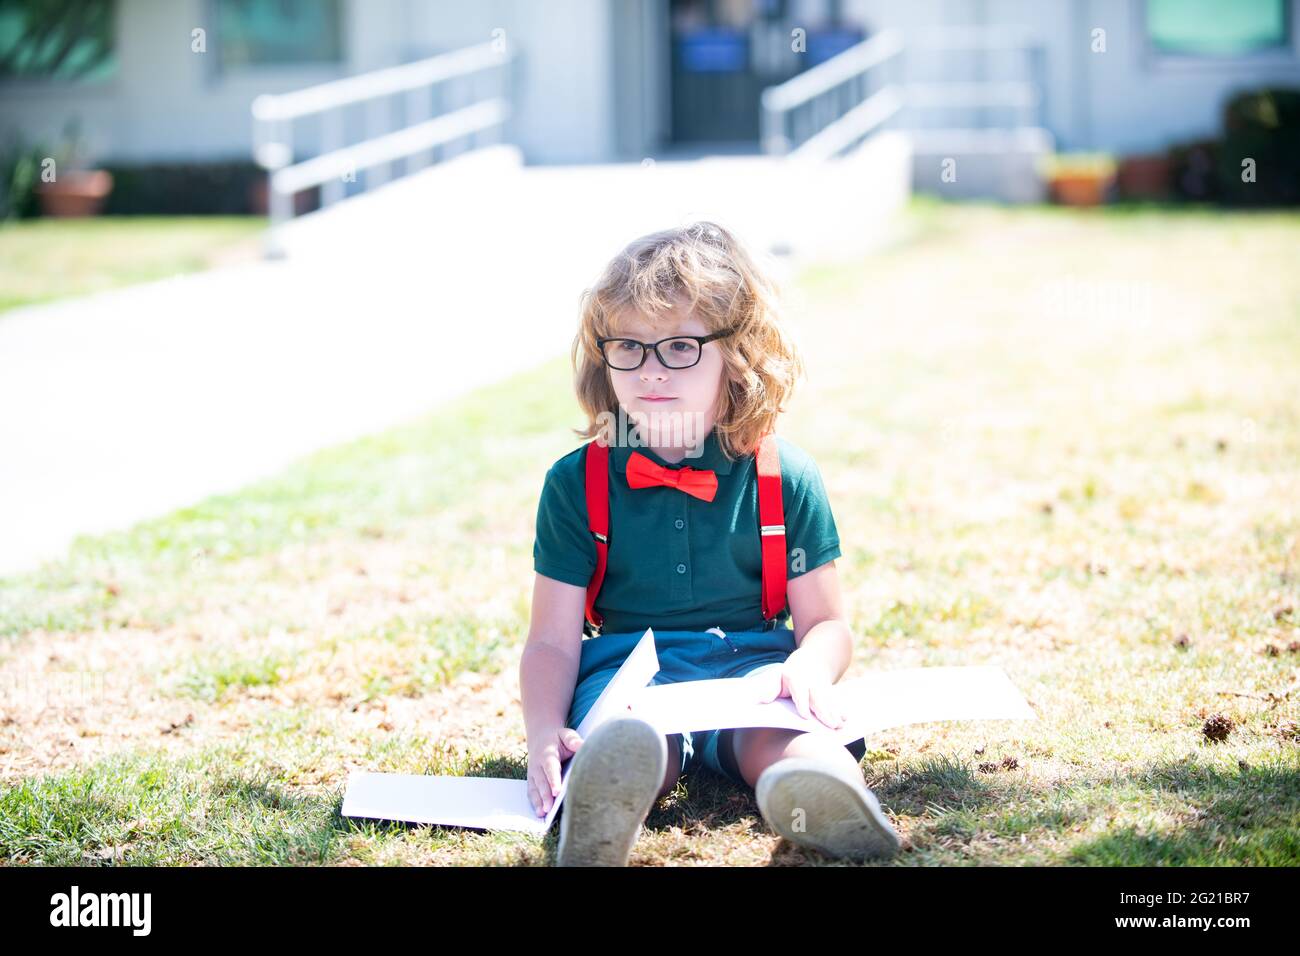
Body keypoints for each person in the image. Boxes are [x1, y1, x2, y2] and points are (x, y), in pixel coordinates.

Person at [519, 220, 902, 865]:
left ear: (739, 354)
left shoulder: (786, 476)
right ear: (603, 357)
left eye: (679, 347)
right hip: (627, 677)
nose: (650, 370)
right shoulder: (575, 483)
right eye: (629, 347)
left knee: (783, 740)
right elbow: (553, 640)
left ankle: (814, 794)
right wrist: (540, 735)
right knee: (626, 740)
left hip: (754, 673)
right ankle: (603, 807)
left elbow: (827, 624)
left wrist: (806, 669)